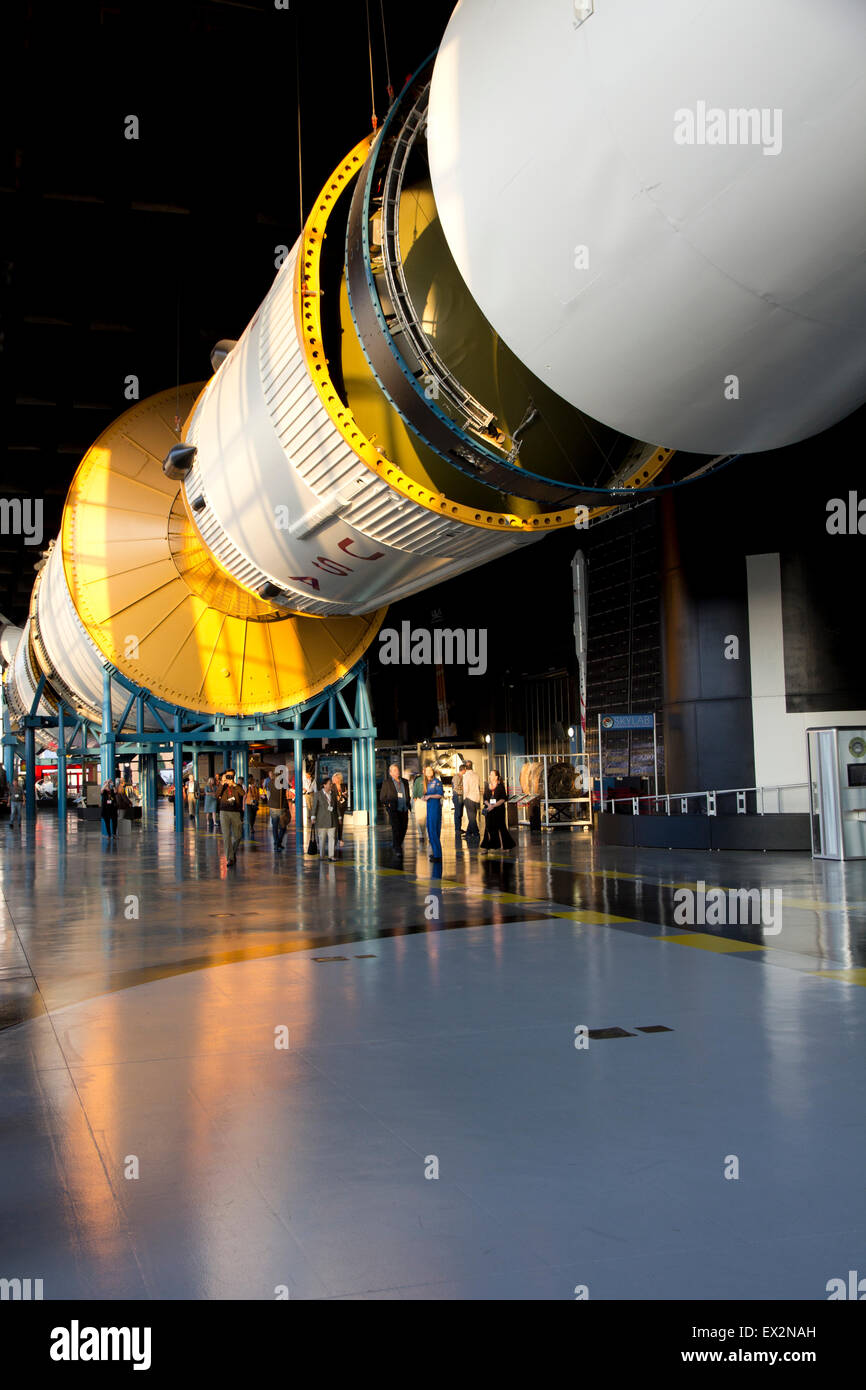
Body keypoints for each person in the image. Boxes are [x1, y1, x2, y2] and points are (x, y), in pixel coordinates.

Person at [480, 769, 516, 851]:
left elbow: (503, 799)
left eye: (492, 774)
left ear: (496, 777)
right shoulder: (487, 786)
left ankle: (507, 846)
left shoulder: (500, 786)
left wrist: (493, 806)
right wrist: (489, 805)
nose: (490, 776)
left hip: (498, 810)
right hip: (489, 809)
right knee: (488, 827)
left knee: (501, 827)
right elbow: (485, 798)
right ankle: (486, 847)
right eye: (490, 774)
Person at [380, 763, 410, 856]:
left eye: (397, 770)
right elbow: (382, 797)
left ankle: (396, 844)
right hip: (394, 809)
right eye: (394, 770)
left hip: (404, 808)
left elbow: (407, 794)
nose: (397, 772)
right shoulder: (387, 782)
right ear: (390, 773)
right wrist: (387, 804)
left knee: (404, 828)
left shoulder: (405, 781)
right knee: (396, 828)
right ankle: (397, 848)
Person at [218, 769, 244, 866]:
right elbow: (216, 795)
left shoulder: (237, 786)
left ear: (234, 776)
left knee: (238, 836)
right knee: (226, 836)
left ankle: (231, 854)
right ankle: (230, 858)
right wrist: (222, 783)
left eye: (231, 776)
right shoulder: (223, 786)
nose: (229, 778)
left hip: (235, 813)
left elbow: (243, 793)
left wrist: (234, 784)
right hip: (224, 812)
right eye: (227, 776)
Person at [311, 776, 338, 860]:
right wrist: (313, 816)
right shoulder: (318, 794)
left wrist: (339, 816)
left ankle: (331, 856)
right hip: (321, 821)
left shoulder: (333, 794)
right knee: (322, 839)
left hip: (332, 820)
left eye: (331, 784)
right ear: (324, 785)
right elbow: (314, 806)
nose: (331, 785)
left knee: (332, 838)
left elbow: (336, 806)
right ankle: (322, 855)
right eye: (330, 784)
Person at [423, 767, 445, 861]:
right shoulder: (425, 782)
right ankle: (436, 853)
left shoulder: (437, 782)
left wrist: (429, 796)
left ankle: (438, 855)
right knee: (430, 831)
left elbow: (440, 794)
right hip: (429, 809)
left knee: (434, 831)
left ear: (433, 772)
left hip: (435, 809)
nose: (429, 772)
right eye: (427, 771)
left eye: (430, 770)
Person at [269, 776, 290, 851]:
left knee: (275, 827)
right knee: (283, 827)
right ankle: (278, 843)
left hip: (272, 807)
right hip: (281, 808)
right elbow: (288, 787)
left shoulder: (270, 783)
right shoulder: (283, 784)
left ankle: (276, 843)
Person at [462, 760, 481, 841]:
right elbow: (478, 786)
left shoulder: (466, 775)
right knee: (473, 816)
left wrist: (464, 797)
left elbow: (466, 788)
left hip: (469, 798)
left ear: (465, 767)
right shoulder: (476, 775)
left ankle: (476, 833)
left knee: (471, 818)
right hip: (476, 798)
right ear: (472, 766)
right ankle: (468, 833)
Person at [411, 765, 431, 844]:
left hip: (429, 802)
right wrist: (416, 801)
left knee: (428, 820)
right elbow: (414, 792)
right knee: (419, 820)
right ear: (423, 771)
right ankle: (421, 835)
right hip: (420, 801)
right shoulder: (419, 779)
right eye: (425, 770)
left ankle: (428, 835)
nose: (427, 772)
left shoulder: (432, 780)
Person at [332, 771, 348, 849]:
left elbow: (346, 796)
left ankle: (340, 838)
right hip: (335, 807)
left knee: (340, 822)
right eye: (333, 778)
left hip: (342, 806)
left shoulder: (343, 786)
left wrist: (345, 795)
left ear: (339, 779)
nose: (334, 780)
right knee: (335, 822)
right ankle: (334, 838)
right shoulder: (332, 787)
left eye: (335, 778)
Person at [452, 763, 465, 836]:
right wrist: (463, 787)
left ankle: (459, 828)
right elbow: (455, 787)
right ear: (463, 769)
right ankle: (457, 829)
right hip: (457, 796)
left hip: (461, 795)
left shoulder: (461, 777)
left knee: (460, 813)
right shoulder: (456, 777)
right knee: (457, 813)